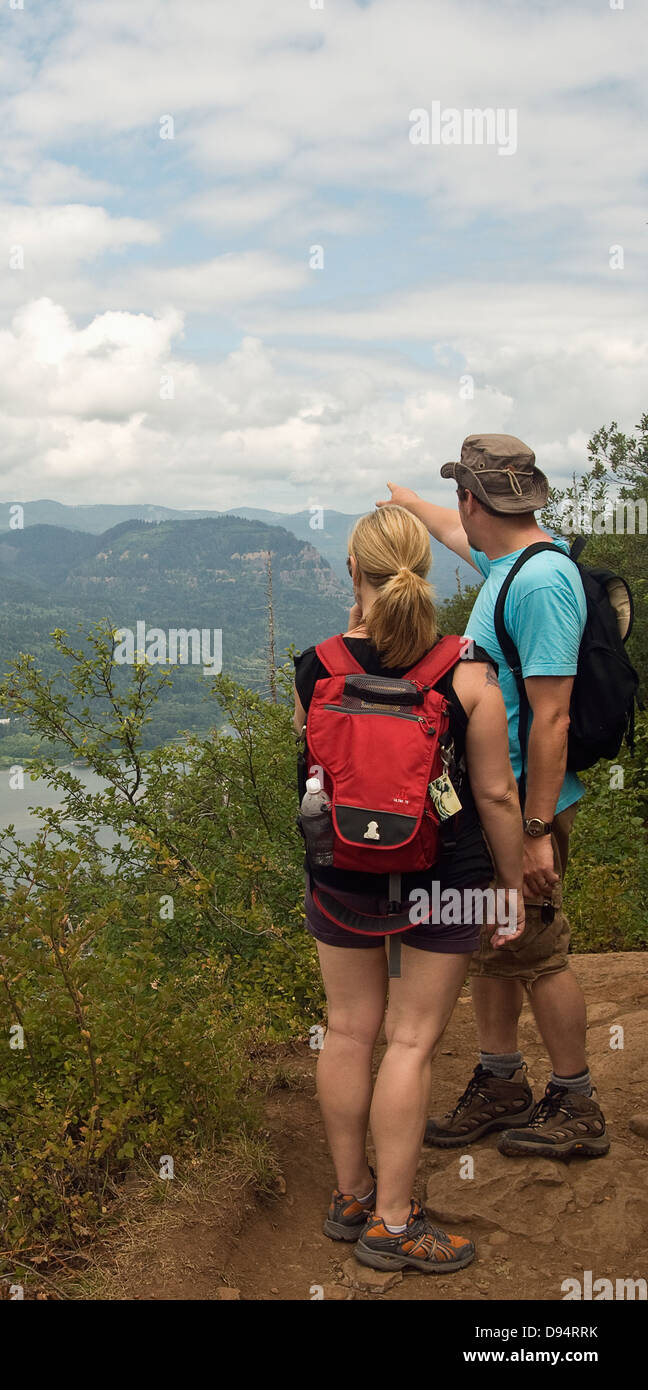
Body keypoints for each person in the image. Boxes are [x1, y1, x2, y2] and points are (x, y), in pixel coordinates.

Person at [293, 504, 525, 1274]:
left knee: (349, 1031)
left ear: (353, 574)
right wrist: (513, 885)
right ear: (422, 572)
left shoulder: (315, 666)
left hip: (339, 874)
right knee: (412, 1040)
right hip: (444, 878)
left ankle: (353, 1194)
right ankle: (394, 1226)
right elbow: (493, 797)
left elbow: (317, 772)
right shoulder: (467, 670)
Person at [379, 433, 609, 1159]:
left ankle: (575, 1102)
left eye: (458, 499)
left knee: (537, 945)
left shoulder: (539, 583)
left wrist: (535, 830)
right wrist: (408, 504)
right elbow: (456, 537)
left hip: (522, 801)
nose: (457, 515)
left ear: (474, 498)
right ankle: (502, 1080)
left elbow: (553, 715)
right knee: (499, 944)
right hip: (497, 797)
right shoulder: (510, 558)